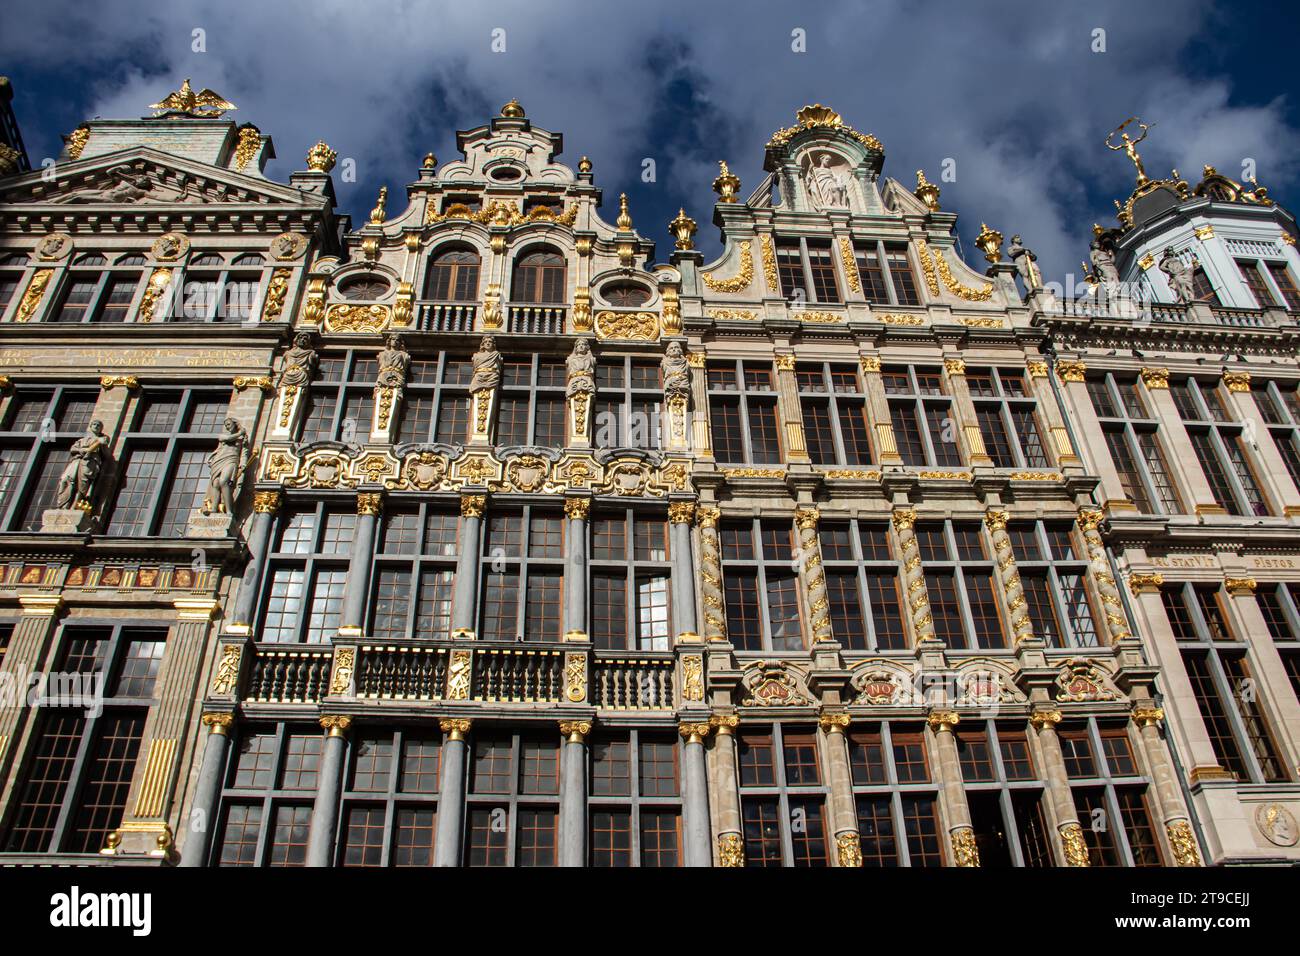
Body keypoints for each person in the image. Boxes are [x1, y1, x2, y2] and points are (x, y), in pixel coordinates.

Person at [55, 420, 108, 509]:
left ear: (101, 429)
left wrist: (102, 444)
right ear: (90, 427)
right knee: (65, 480)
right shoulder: (82, 440)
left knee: (82, 485)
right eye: (94, 424)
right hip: (77, 461)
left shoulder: (101, 440)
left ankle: (75, 507)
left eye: (98, 425)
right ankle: (63, 504)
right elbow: (73, 449)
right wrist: (82, 450)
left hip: (89, 463)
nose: (96, 426)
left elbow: (106, 455)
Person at [203, 418, 248, 515]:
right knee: (216, 484)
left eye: (229, 424)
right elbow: (227, 440)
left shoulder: (242, 438)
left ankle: (229, 510)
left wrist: (243, 463)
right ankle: (214, 509)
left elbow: (244, 452)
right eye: (226, 425)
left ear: (234, 424)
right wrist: (240, 433)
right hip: (219, 460)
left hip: (231, 459)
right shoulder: (224, 436)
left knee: (223, 481)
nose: (227, 427)